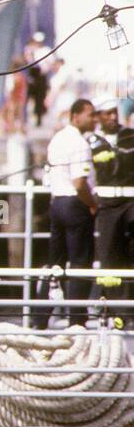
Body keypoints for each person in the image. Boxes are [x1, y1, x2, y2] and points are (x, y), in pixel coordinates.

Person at [35, 98, 98, 328]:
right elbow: (80, 183)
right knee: (80, 263)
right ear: (76, 116)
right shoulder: (80, 144)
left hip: (57, 203)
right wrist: (92, 204)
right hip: (74, 205)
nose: (94, 119)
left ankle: (39, 318)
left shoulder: (57, 139)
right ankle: (77, 320)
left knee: (55, 264)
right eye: (90, 114)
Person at [89, 100, 134, 297]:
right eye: (107, 113)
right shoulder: (91, 141)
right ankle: (112, 306)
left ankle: (128, 305)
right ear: (98, 116)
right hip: (107, 204)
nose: (113, 117)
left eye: (114, 112)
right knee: (108, 255)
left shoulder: (130, 136)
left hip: (131, 202)